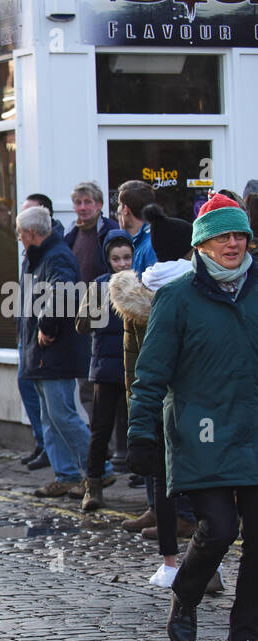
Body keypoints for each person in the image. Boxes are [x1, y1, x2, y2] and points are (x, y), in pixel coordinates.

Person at [126, 192, 258, 641]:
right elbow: (151, 373)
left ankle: (244, 638)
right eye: (223, 235)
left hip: (253, 427)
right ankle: (186, 592)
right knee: (220, 527)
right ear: (201, 244)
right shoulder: (179, 297)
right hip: (202, 431)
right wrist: (141, 434)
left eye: (239, 234)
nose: (233, 243)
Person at [111, 204, 203, 587]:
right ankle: (205, 559)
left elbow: (134, 362)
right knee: (202, 482)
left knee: (163, 486)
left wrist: (138, 412)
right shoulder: (196, 289)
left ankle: (169, 563)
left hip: (149, 402)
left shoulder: (137, 291)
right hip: (193, 401)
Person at [17, 205, 94, 498]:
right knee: (50, 417)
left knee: (62, 415)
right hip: (41, 352)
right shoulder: (41, 255)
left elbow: (65, 293)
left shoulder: (55, 255)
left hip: (54, 350)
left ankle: (99, 470)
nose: (20, 240)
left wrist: (46, 327)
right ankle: (66, 475)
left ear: (32, 233)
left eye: (21, 234)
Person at [75, 229, 133, 511]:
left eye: (126, 258)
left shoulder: (142, 283)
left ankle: (150, 490)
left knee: (142, 430)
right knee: (100, 431)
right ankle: (93, 486)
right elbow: (82, 325)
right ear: (108, 260)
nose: (122, 264)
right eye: (116, 259)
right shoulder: (99, 286)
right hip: (105, 370)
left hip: (134, 369)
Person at [65, 181, 117, 284]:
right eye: (78, 202)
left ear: (99, 205)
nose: (82, 207)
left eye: (87, 202)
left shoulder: (111, 231)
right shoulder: (70, 232)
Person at [116, 180, 158, 275]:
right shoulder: (144, 241)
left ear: (126, 210)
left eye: (119, 204)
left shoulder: (151, 245)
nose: (118, 210)